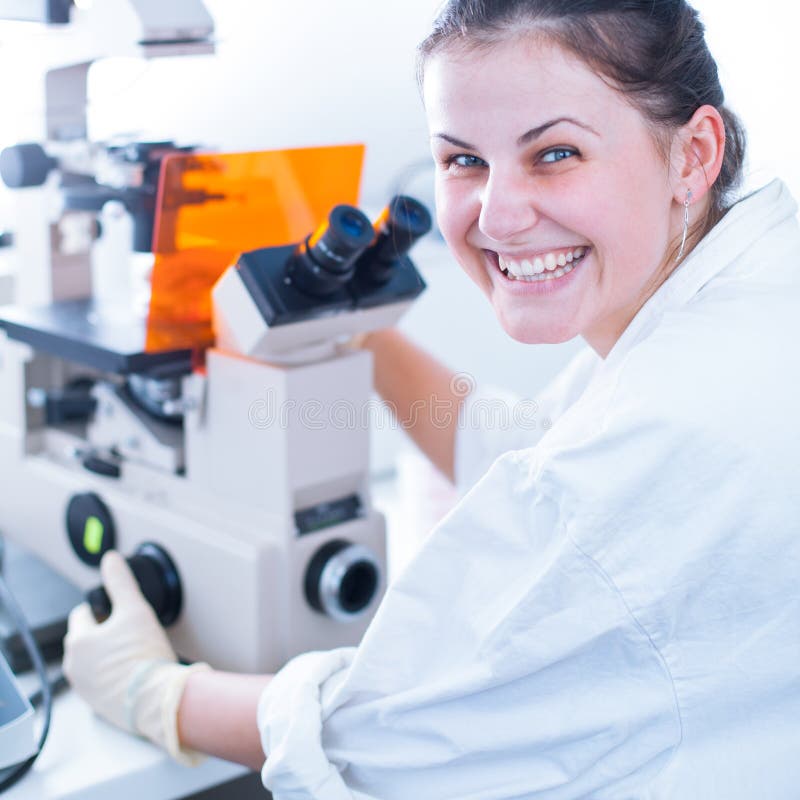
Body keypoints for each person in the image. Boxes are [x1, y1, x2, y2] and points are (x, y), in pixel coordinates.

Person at [63, 1, 800, 797]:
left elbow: (386, 742)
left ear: (693, 153)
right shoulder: (739, 296)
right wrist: (351, 323)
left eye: (555, 153)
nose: (499, 215)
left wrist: (157, 693)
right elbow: (532, 449)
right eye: (461, 161)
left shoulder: (653, 435)